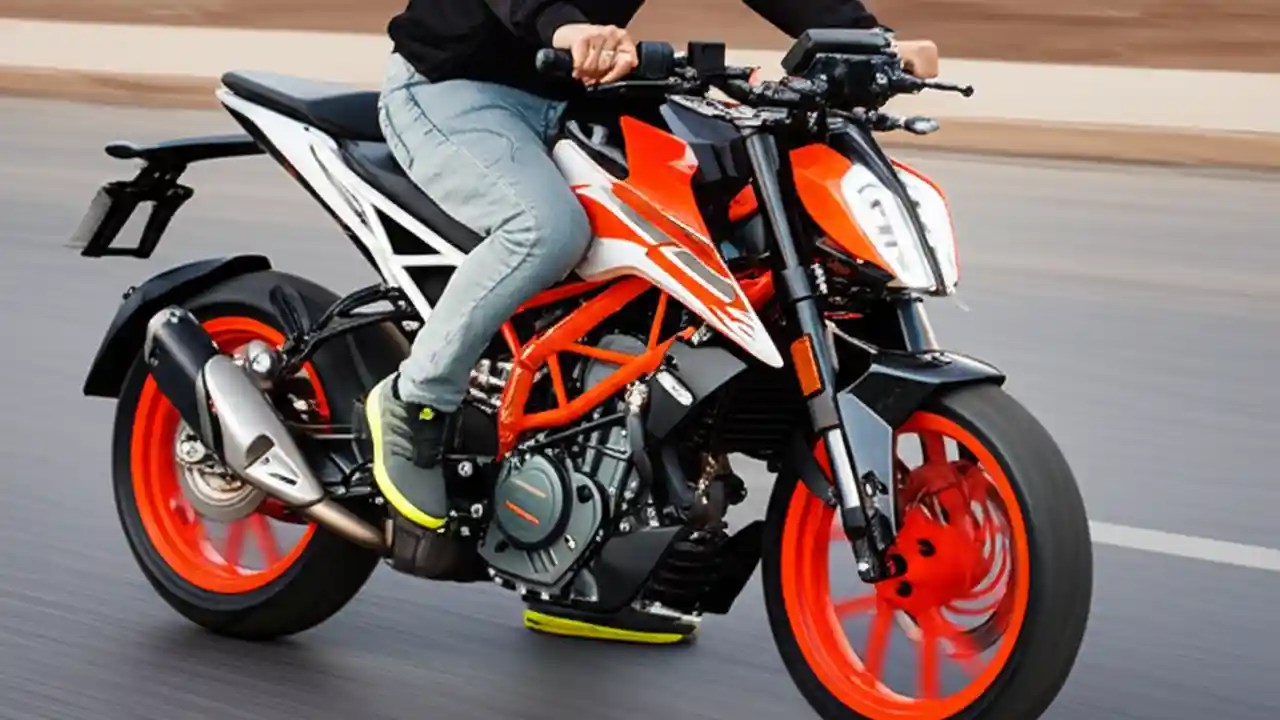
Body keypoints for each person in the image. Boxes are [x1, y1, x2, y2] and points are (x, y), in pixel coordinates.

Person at [365, 0, 939, 642]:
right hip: (456, 88)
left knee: (712, 239)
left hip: (587, 89)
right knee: (546, 231)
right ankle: (416, 399)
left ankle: (598, 522)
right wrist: (564, 24)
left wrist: (865, 39)